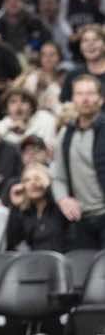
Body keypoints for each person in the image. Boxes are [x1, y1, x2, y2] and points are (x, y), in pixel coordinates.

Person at [51, 72, 105, 248]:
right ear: (73, 99)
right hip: (81, 219)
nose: (85, 99)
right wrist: (63, 199)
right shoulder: (65, 134)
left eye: (90, 93)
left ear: (101, 99)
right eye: (80, 94)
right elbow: (58, 176)